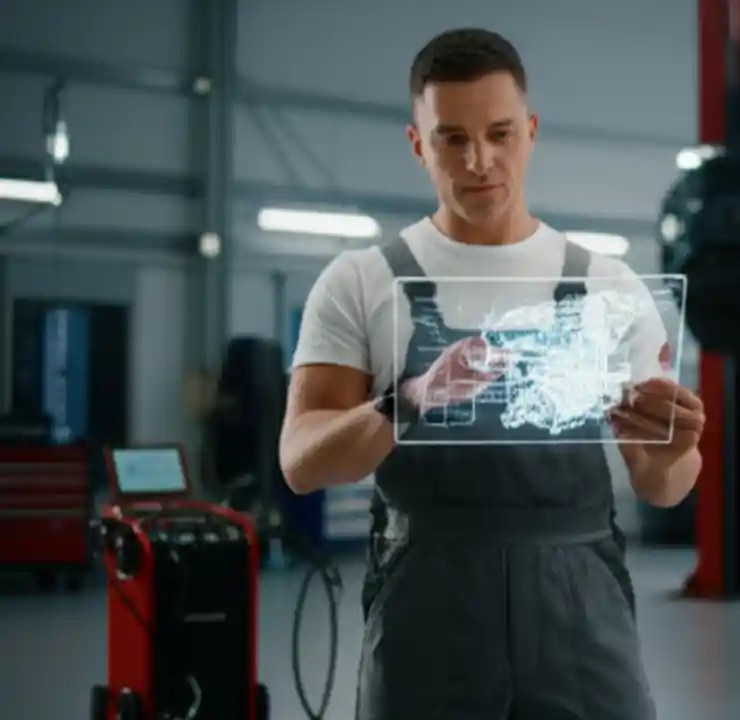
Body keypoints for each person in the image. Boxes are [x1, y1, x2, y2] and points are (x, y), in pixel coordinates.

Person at [280, 27, 705, 720]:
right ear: (419, 144)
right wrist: (411, 397)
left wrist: (677, 447)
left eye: (500, 133)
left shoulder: (608, 286)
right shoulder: (360, 283)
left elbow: (661, 486)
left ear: (530, 132)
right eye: (452, 138)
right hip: (428, 595)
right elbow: (300, 463)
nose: (480, 160)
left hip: (579, 598)